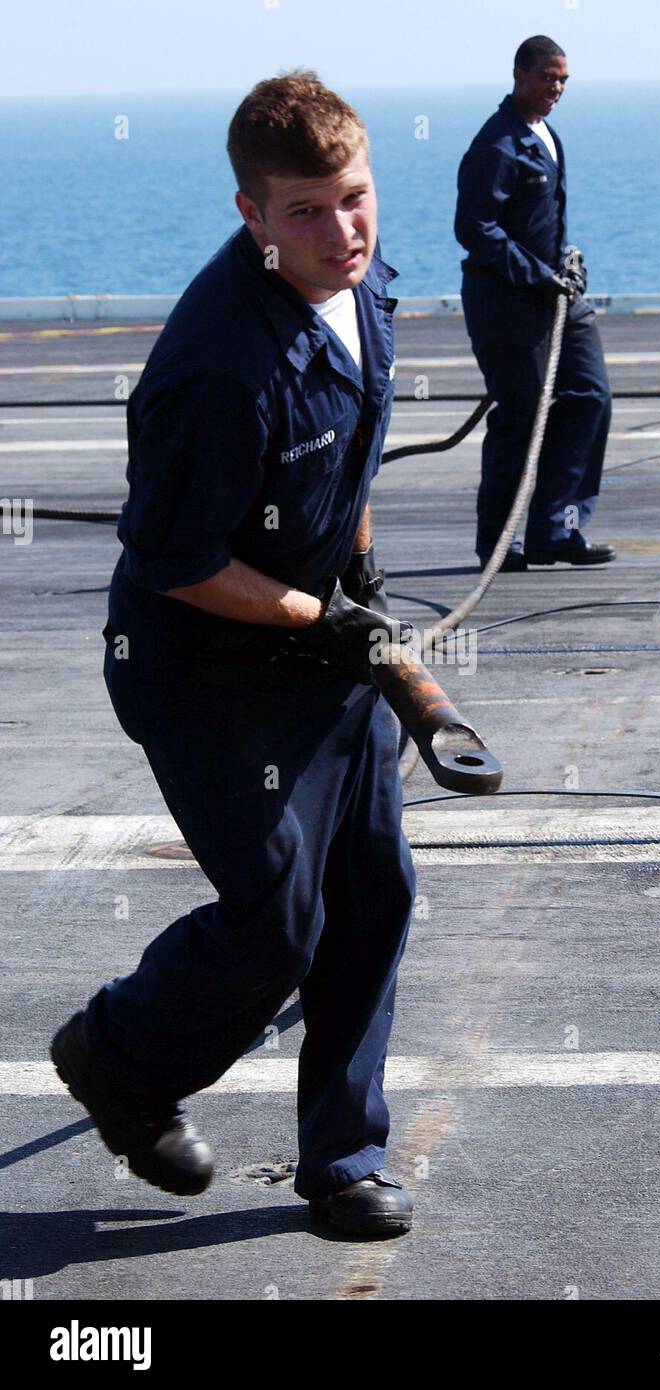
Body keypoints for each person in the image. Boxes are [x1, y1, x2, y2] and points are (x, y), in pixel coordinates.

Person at [49, 71, 417, 1238]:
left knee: (373, 894)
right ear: (251, 214)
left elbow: (348, 457)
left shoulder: (366, 286)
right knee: (276, 917)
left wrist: (354, 583)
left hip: (321, 639)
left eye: (353, 198)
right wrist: (324, 618)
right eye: (303, 210)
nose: (339, 230)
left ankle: (345, 1157)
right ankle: (116, 1055)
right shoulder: (218, 362)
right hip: (203, 671)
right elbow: (175, 558)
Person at [455, 34, 616, 572]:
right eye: (548, 77)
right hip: (507, 305)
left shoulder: (546, 135)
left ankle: (556, 530)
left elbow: (539, 223)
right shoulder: (497, 145)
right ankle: (498, 546)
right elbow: (473, 228)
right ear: (519, 74)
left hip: (557, 298)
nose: (557, 88)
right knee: (521, 418)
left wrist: (564, 261)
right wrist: (537, 275)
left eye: (564, 79)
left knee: (589, 397)